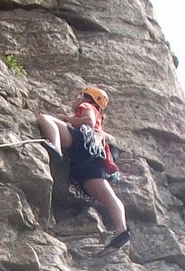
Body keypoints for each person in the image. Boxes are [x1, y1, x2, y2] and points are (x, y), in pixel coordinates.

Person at [36, 85, 130, 251]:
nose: (75, 100)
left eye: (78, 96)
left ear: (85, 97)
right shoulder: (97, 112)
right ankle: (121, 228)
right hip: (93, 158)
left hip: (83, 143)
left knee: (46, 118)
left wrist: (66, 119)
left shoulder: (86, 106)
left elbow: (88, 122)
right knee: (108, 196)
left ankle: (55, 147)